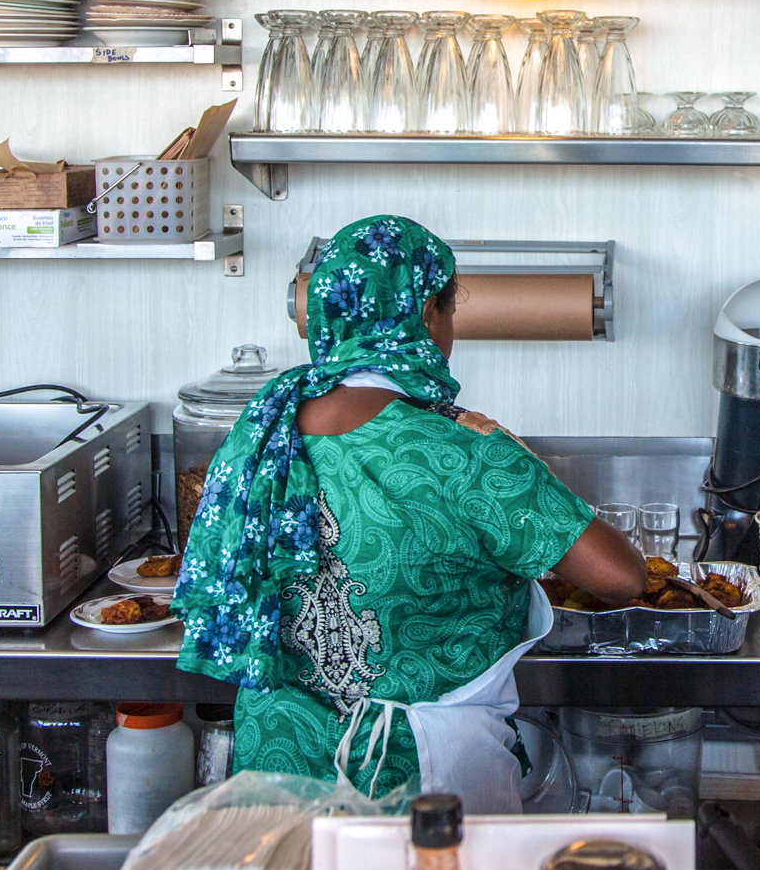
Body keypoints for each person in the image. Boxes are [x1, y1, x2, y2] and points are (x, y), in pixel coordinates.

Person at [174, 215, 643, 811]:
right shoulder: (465, 454)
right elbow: (623, 576)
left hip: (275, 769)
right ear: (427, 318)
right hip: (422, 784)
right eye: (450, 313)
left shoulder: (260, 437)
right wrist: (517, 455)